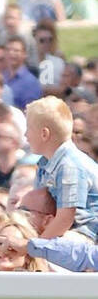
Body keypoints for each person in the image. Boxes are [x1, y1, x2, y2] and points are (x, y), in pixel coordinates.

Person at [28, 96, 98, 242]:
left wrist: (35, 248)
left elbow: (65, 219)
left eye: (29, 129)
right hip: (61, 229)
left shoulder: (70, 166)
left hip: (85, 234)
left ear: (44, 134)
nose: (25, 136)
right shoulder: (44, 164)